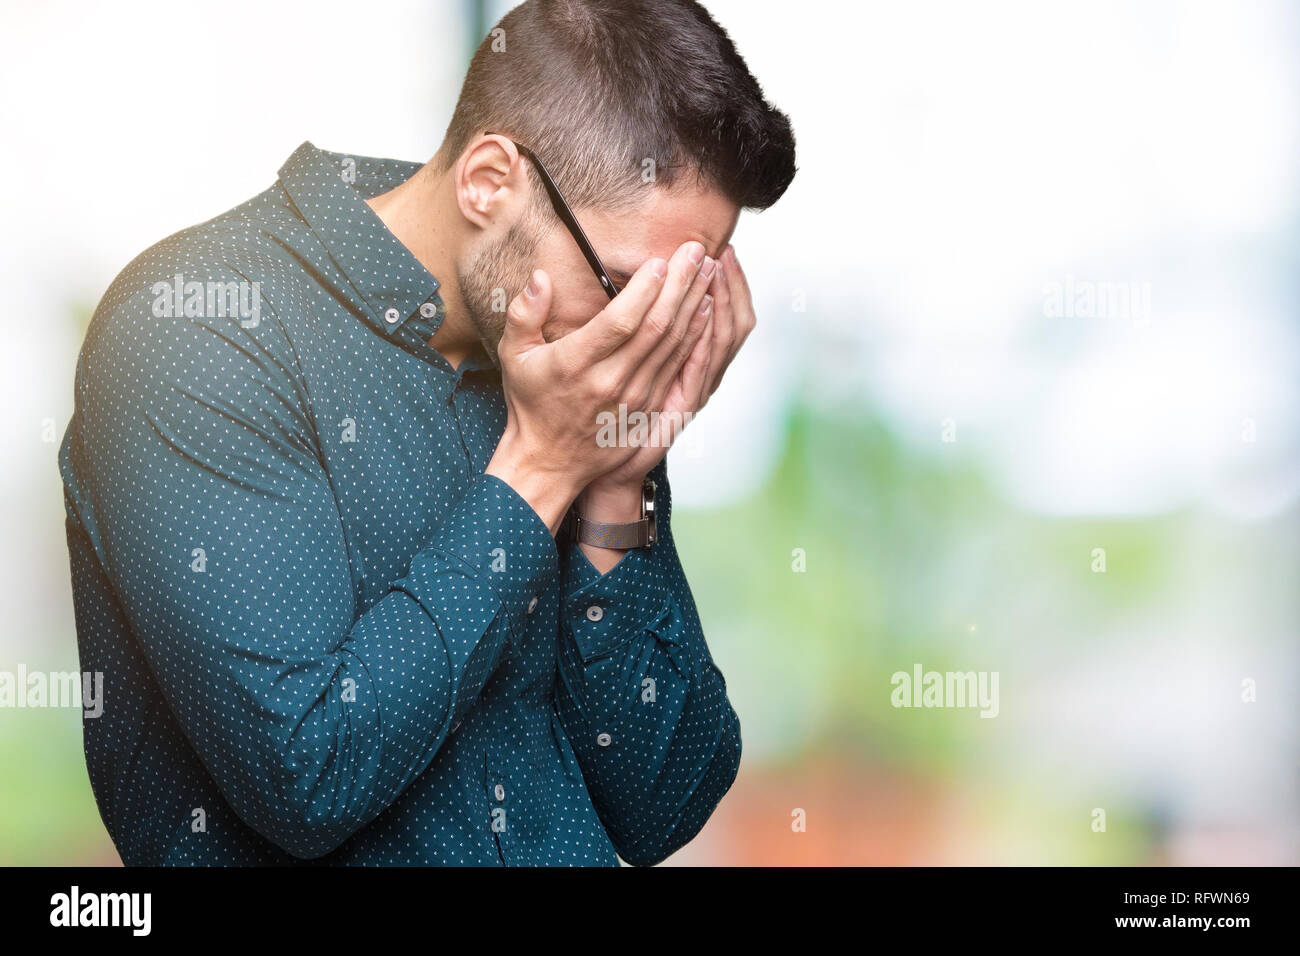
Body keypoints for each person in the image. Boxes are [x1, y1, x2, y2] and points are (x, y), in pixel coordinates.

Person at [58, 0, 796, 865]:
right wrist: (541, 469)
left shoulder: (578, 375)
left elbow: (662, 805)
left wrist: (615, 487)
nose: (646, 336)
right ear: (488, 182)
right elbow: (306, 775)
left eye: (680, 301)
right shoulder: (196, 331)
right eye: (627, 286)